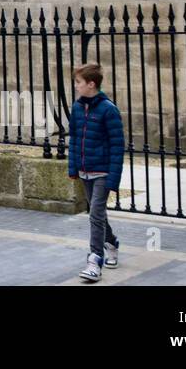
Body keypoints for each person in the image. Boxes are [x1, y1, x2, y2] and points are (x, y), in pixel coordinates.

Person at [68, 62, 124, 282]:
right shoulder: (76, 107)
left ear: (91, 84)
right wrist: (73, 167)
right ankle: (111, 242)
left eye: (78, 82)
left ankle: (94, 260)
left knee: (95, 214)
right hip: (84, 170)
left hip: (102, 171)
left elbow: (118, 146)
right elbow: (74, 140)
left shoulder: (109, 109)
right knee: (97, 213)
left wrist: (113, 178)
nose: (76, 86)